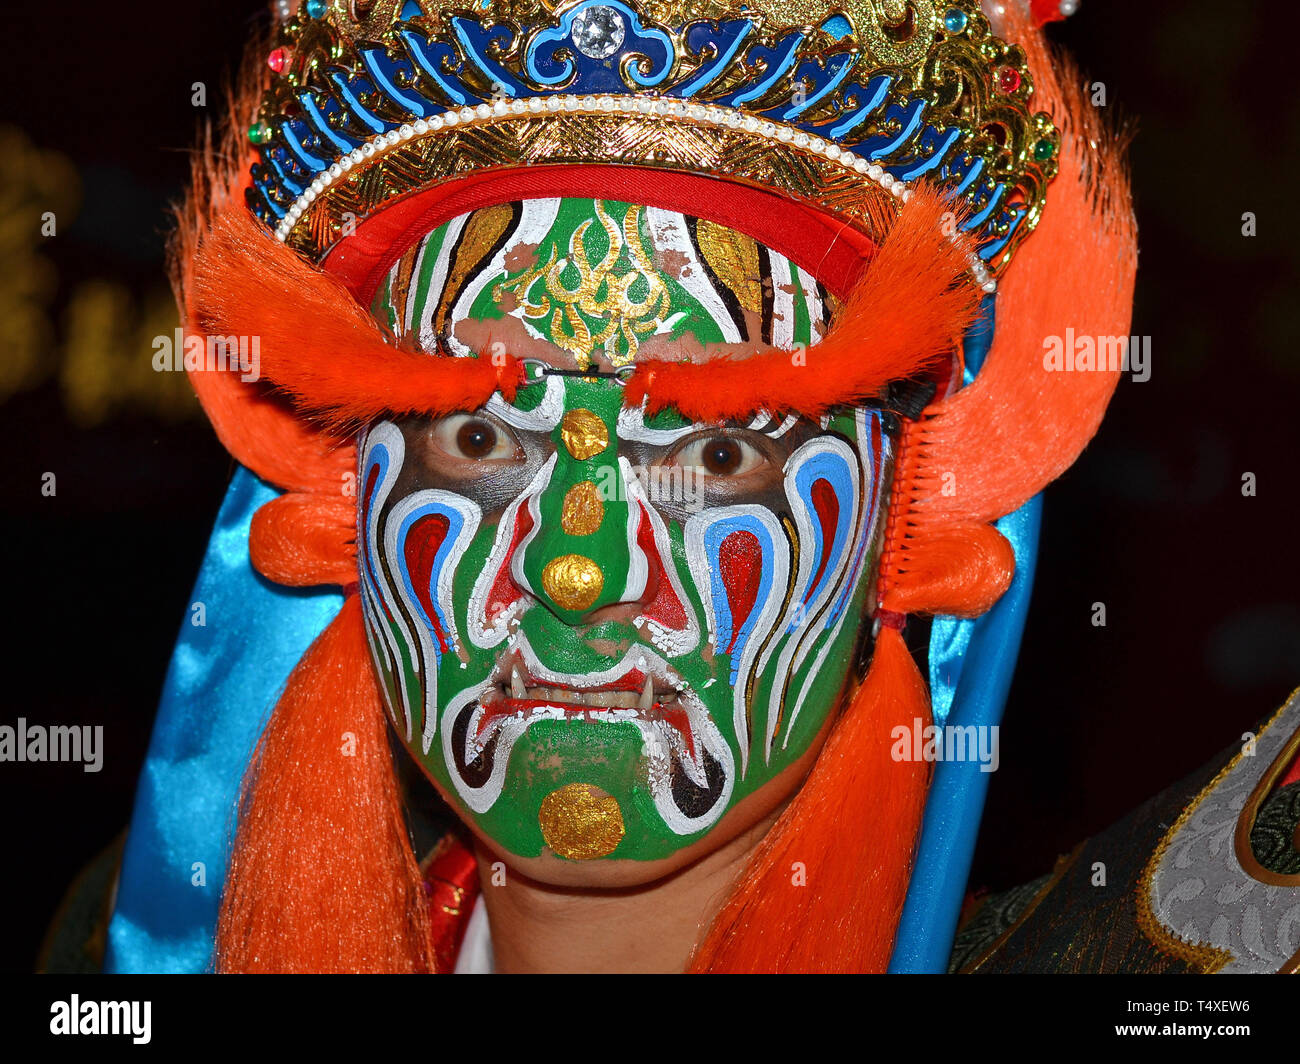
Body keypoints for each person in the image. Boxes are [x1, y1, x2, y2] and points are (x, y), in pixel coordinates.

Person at [87, 0, 1297, 974]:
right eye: (475, 439)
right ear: (341, 506)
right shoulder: (102, 951)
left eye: (716, 456)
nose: (577, 571)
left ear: (903, 524)